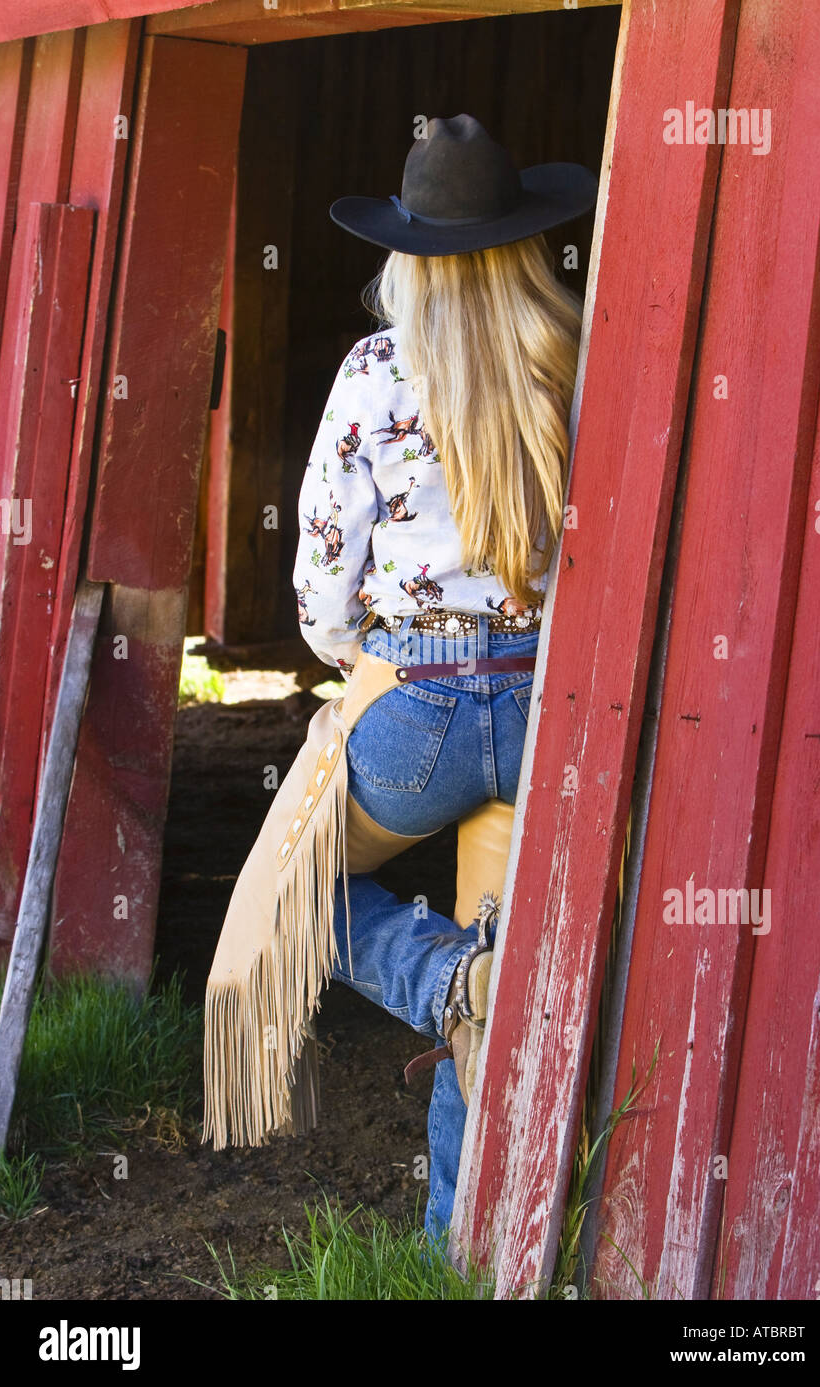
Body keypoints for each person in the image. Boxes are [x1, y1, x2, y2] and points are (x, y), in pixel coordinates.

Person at [289, 114, 596, 1247]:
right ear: (521, 242)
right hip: (551, 712)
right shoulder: (571, 354)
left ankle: (435, 986)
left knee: (293, 901)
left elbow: (324, 579)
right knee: (500, 952)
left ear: (402, 253)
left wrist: (348, 665)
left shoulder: (374, 371)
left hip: (414, 711)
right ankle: (450, 1250)